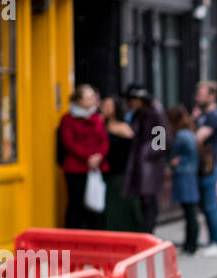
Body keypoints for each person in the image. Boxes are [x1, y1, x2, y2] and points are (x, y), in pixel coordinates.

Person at [58, 84, 108, 229]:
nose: (92, 100)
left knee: (94, 205)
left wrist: (98, 156)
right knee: (76, 204)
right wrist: (88, 157)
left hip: (95, 168)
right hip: (76, 168)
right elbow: (68, 142)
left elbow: (104, 140)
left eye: (93, 97)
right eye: (88, 98)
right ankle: (73, 237)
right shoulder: (68, 119)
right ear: (78, 100)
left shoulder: (97, 118)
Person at [122, 84, 169, 236]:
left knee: (149, 202)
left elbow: (161, 142)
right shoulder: (138, 115)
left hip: (149, 167)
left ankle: (148, 234)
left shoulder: (154, 114)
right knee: (144, 202)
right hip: (140, 165)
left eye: (133, 99)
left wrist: (145, 153)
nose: (131, 103)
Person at [192, 81, 217, 257]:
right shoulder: (203, 116)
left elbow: (197, 138)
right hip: (202, 167)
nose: (197, 96)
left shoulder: (214, 116)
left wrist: (192, 123)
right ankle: (213, 242)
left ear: (212, 96)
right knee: (206, 207)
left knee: (210, 206)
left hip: (209, 166)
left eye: (201, 93)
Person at [100, 95, 143, 232]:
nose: (104, 108)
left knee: (123, 210)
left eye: (108, 106)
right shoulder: (100, 124)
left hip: (121, 174)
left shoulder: (125, 128)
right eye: (104, 105)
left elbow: (158, 139)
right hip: (104, 174)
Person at [167, 105, 201, 256]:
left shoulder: (180, 136)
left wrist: (158, 130)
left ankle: (191, 245)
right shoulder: (189, 132)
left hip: (184, 177)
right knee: (190, 213)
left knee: (189, 213)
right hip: (190, 176)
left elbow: (163, 149)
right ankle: (190, 244)